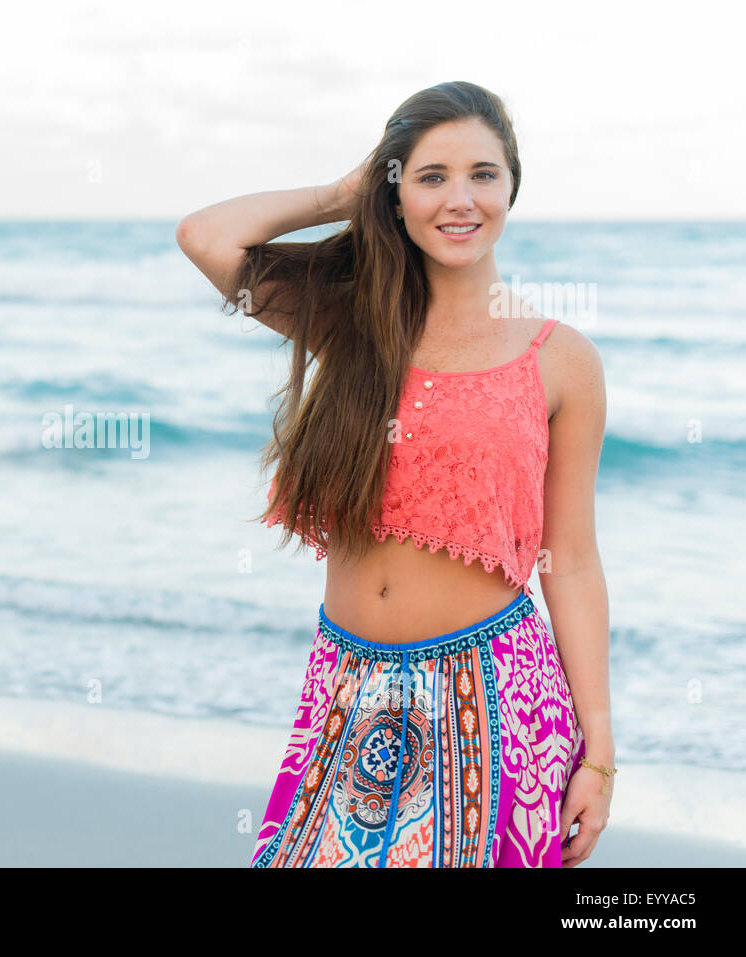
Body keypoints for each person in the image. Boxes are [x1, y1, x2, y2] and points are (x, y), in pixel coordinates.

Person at [176, 81, 614, 867]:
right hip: (345, 688)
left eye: (484, 173)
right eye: (431, 175)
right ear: (395, 191)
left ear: (513, 185)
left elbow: (572, 561)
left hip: (493, 694)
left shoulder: (561, 360)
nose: (461, 198)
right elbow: (207, 235)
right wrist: (343, 193)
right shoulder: (351, 324)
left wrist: (600, 755)